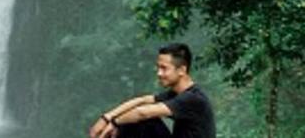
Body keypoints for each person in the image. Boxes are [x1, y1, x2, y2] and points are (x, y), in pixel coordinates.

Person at [87, 43, 216, 138]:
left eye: (164, 68)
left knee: (144, 120)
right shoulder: (175, 94)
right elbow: (142, 101)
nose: (159, 73)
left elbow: (142, 113)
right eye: (158, 68)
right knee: (132, 120)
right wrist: (106, 118)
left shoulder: (193, 98)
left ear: (182, 70)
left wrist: (115, 123)